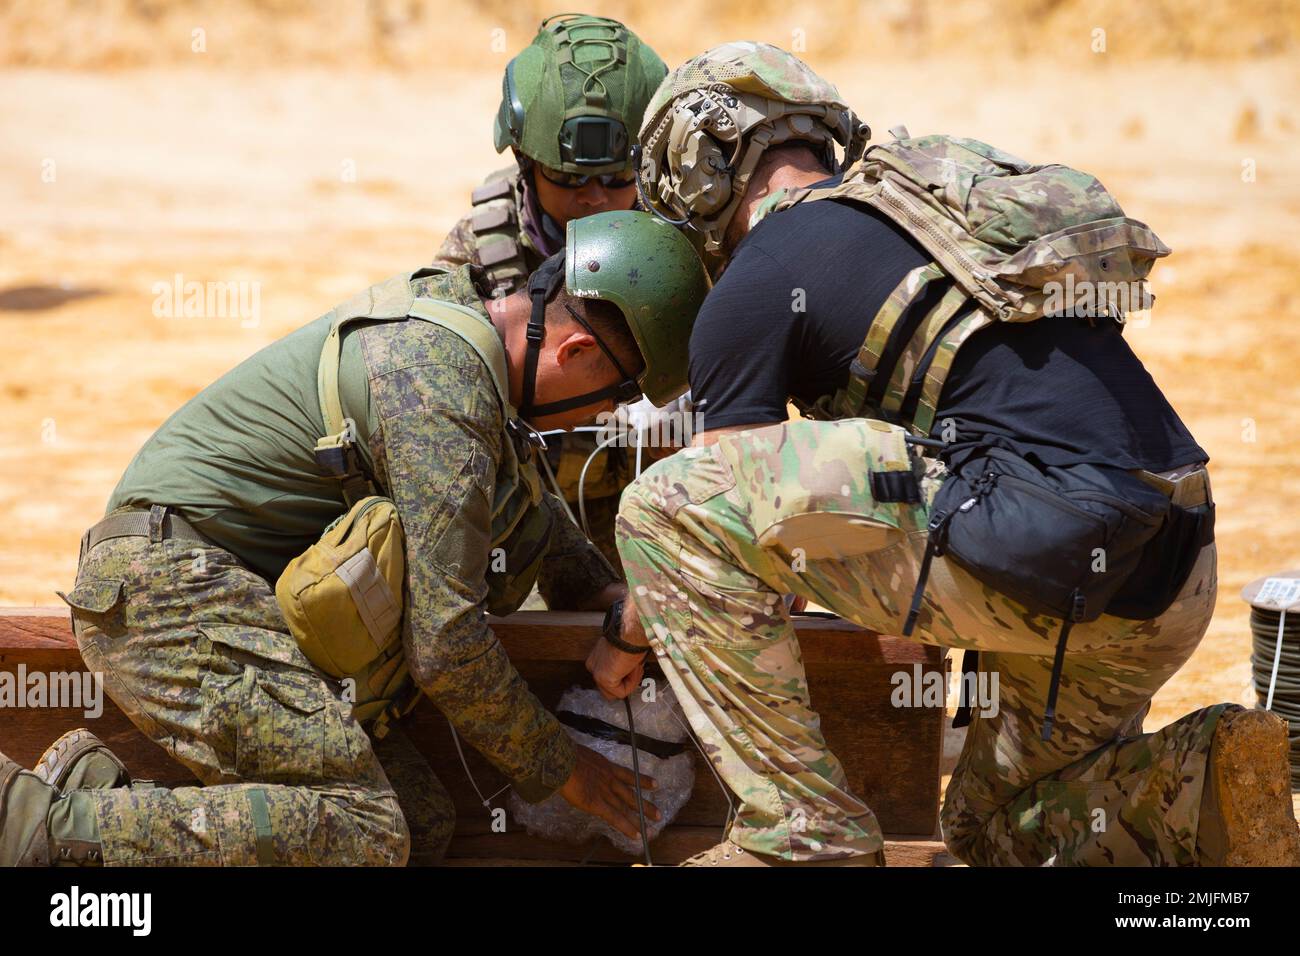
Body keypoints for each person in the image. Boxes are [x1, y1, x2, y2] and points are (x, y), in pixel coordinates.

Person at [588, 41, 1300, 867]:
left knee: (664, 507)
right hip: (1171, 571)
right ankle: (1204, 782)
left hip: (1042, 551)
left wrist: (627, 631)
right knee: (996, 828)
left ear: (699, 170)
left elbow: (716, 521)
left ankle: (802, 838)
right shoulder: (925, 221)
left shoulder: (756, 281)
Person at [0, 210, 709, 867]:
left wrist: (622, 606)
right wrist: (565, 769)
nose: (612, 414)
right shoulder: (443, 394)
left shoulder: (474, 340)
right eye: (619, 393)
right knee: (367, 830)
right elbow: (447, 648)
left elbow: (541, 532)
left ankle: (95, 790)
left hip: (223, 597)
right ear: (577, 347)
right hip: (164, 594)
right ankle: (37, 821)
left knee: (418, 822)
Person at [434, 13, 668, 572]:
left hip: (651, 527)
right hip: (526, 532)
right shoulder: (481, 257)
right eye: (569, 179)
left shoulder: (684, 252)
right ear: (525, 160)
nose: (594, 199)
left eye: (617, 180)